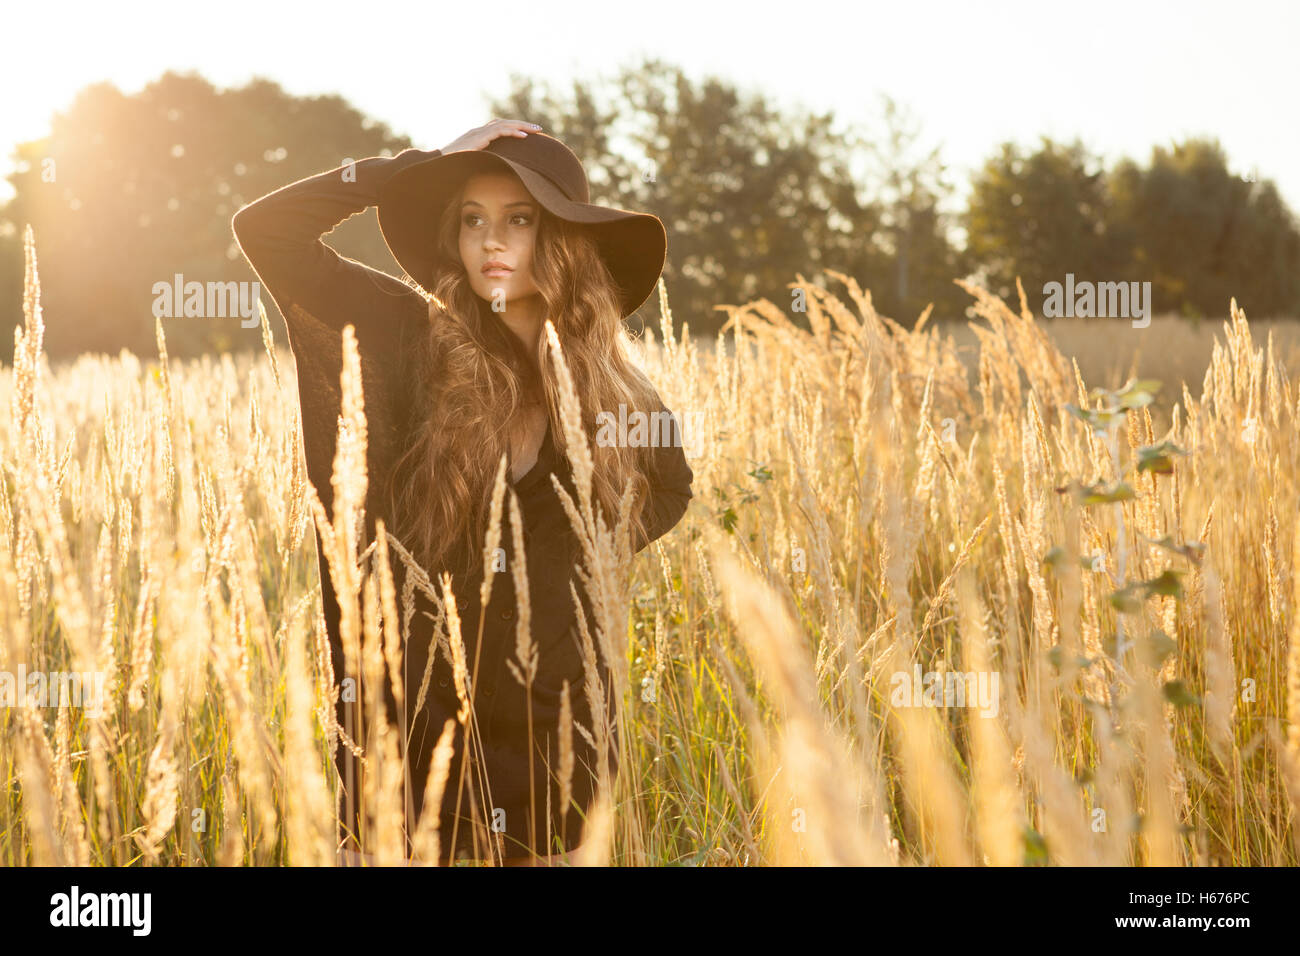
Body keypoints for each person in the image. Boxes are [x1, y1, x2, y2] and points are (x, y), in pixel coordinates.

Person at [232, 119, 694, 865]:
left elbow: (673, 487)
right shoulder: (413, 341)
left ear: (565, 239)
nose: (490, 242)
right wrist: (417, 168)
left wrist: (572, 563)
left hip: (554, 745)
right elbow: (267, 232)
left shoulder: (617, 397)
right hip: (409, 738)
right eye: (471, 219)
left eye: (520, 219)